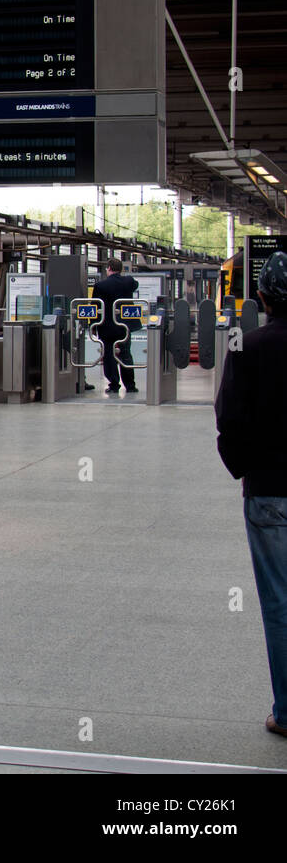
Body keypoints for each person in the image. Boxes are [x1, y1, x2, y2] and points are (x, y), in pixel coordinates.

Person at [216, 251, 287, 739]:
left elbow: (229, 419)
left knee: (280, 603)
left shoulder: (248, 347)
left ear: (261, 298)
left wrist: (246, 468)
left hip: (268, 491)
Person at [94, 257, 142, 395]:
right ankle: (130, 385)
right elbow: (135, 284)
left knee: (109, 355)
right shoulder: (129, 282)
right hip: (124, 326)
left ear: (108, 268)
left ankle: (114, 385)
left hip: (107, 327)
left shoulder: (100, 286)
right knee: (126, 353)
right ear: (120, 269)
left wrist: (93, 325)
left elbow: (96, 307)